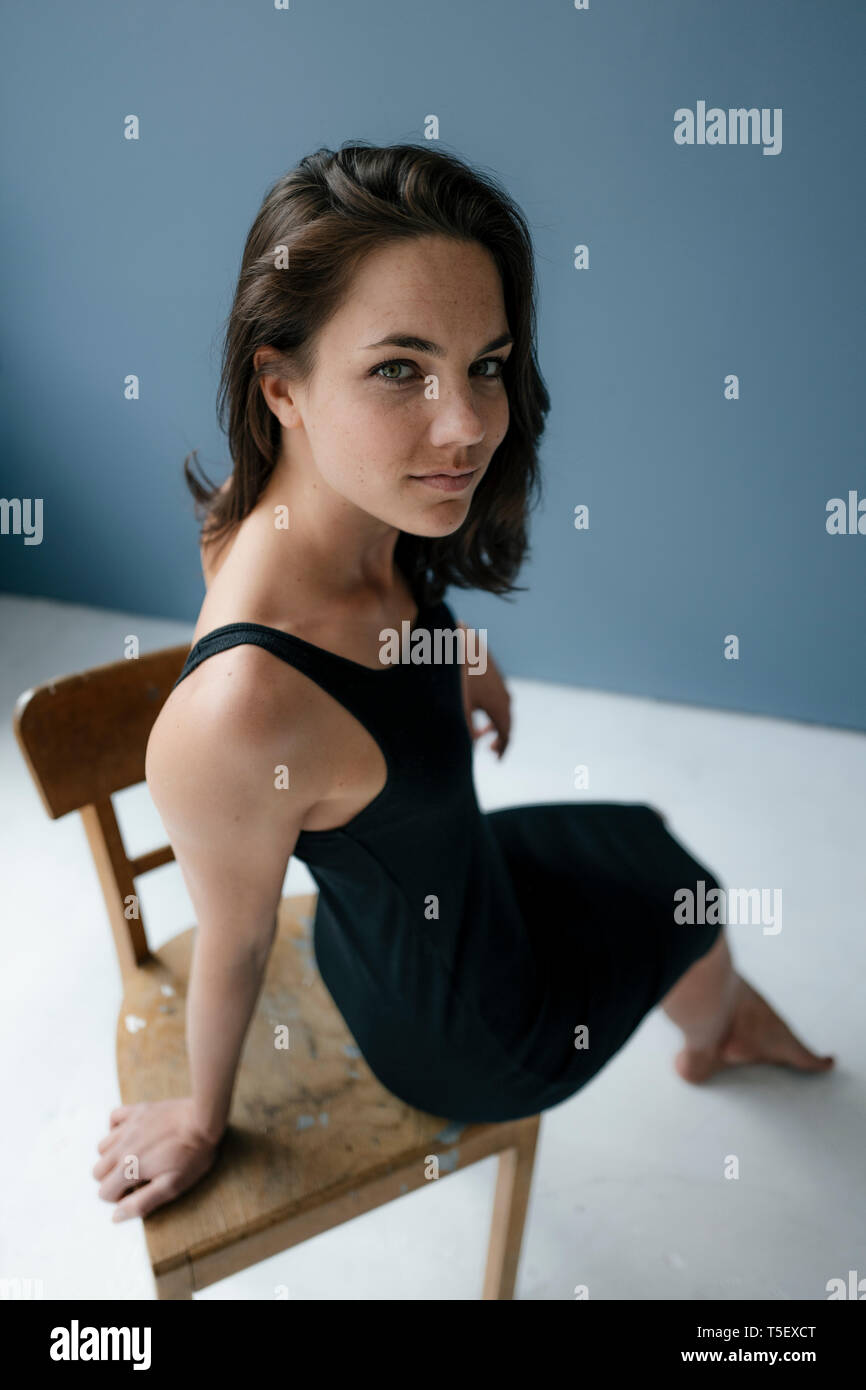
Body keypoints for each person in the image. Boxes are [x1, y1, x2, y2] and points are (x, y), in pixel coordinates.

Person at [93, 142, 834, 1223]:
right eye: (399, 368)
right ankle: (721, 1029)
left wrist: (448, 650)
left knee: (648, 841)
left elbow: (362, 633)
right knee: (691, 896)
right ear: (280, 384)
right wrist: (201, 1117)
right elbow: (239, 937)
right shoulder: (236, 715)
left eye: (483, 363)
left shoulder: (330, 514)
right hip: (467, 1031)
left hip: (442, 895)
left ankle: (718, 1016)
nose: (470, 425)